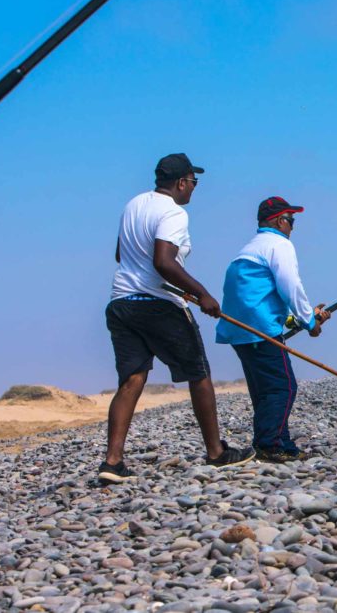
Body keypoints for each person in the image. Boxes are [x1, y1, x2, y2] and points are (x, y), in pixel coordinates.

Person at [101, 154, 255, 483]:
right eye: (194, 182)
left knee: (131, 380)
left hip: (121, 303)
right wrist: (202, 294)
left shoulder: (134, 204)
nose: (195, 189)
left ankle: (112, 463)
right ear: (182, 183)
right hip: (156, 304)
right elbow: (163, 261)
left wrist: (175, 285)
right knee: (198, 372)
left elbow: (121, 255)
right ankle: (216, 452)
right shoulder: (173, 212)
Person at [216, 196, 330, 463]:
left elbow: (259, 297)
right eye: (292, 221)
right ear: (280, 221)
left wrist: (297, 320)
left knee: (266, 390)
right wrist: (310, 322)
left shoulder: (249, 249)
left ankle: (282, 442)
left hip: (239, 330)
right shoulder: (279, 244)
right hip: (259, 330)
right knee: (284, 387)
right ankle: (269, 444)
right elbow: (290, 286)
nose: (292, 227)